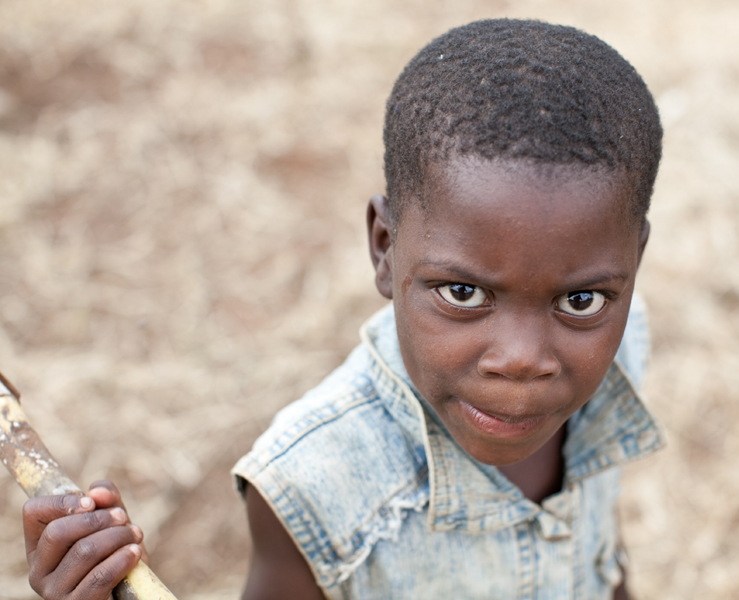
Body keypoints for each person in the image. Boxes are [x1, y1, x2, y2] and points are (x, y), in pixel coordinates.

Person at [21, 18, 665, 600]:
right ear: (385, 248)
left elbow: (597, 555)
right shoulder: (312, 486)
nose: (523, 360)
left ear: (632, 265)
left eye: (579, 300)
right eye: (463, 293)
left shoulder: (620, 348)